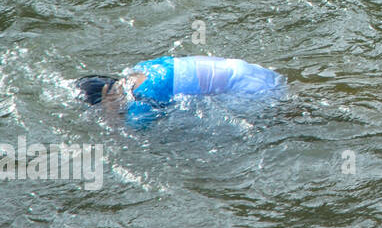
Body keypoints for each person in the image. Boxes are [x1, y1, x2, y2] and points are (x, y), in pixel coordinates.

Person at [75, 56, 285, 126]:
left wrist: (113, 120)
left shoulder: (140, 106)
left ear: (106, 95)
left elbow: (129, 147)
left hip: (251, 93)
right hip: (250, 71)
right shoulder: (145, 67)